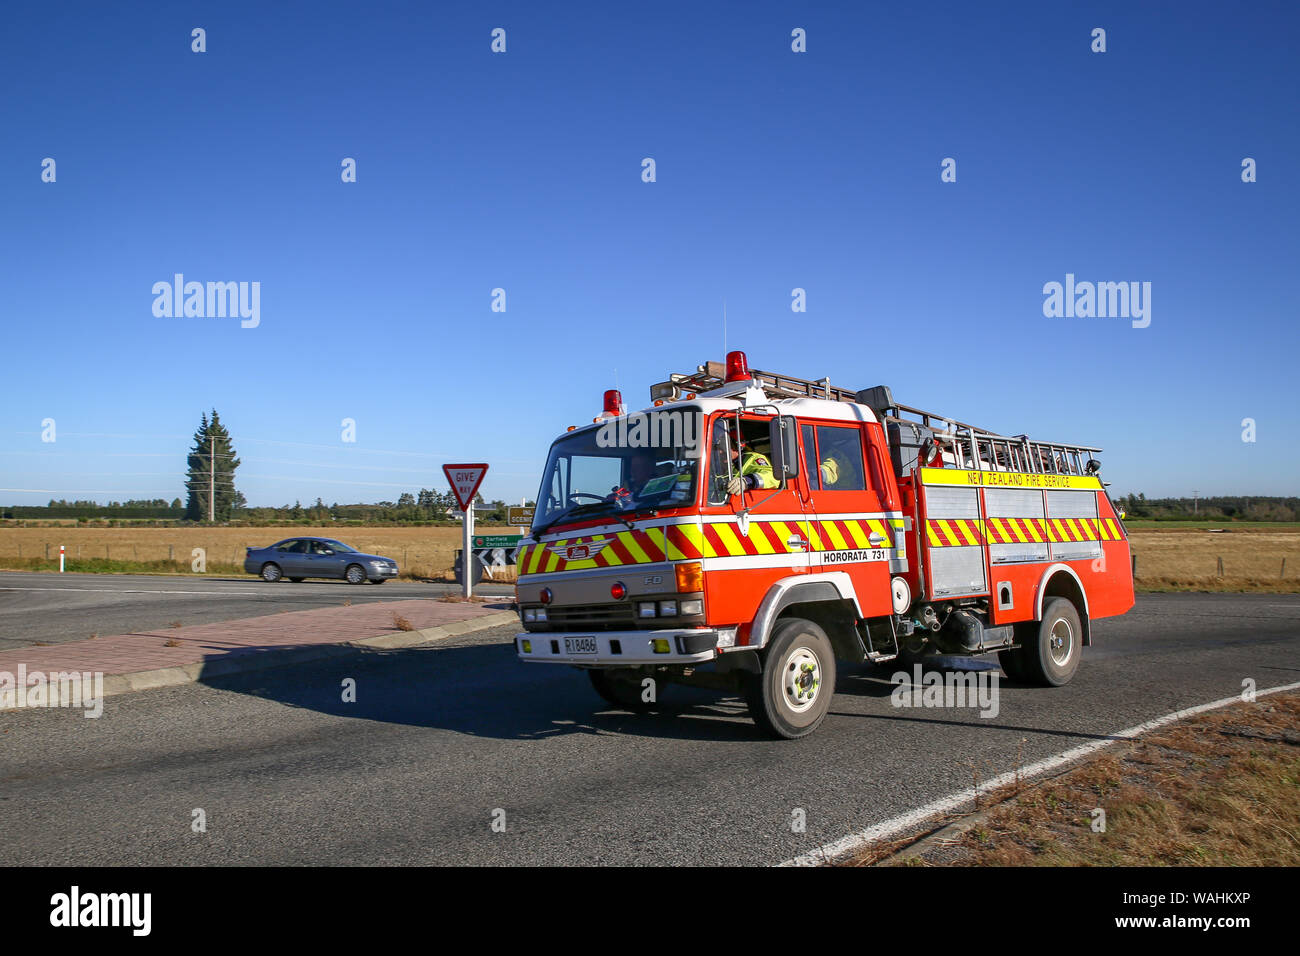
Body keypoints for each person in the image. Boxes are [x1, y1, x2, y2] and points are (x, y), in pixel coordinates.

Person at [725, 424, 777, 495]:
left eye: (724, 447)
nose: (720, 451)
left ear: (737, 446)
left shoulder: (754, 458)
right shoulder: (727, 465)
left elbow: (772, 477)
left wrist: (746, 481)